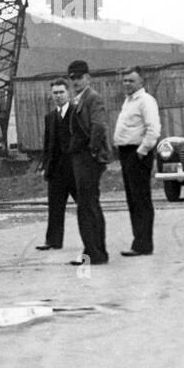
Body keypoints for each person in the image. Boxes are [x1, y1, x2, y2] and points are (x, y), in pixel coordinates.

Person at [64, 60, 111, 265]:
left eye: (79, 77)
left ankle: (95, 253)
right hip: (82, 157)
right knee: (89, 204)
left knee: (87, 205)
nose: (75, 81)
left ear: (87, 78)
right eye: (72, 78)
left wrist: (91, 149)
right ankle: (94, 251)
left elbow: (99, 126)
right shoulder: (79, 99)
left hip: (88, 158)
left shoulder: (92, 98)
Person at [113, 66, 161, 257]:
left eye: (131, 81)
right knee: (133, 199)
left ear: (141, 82)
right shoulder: (129, 101)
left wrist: (142, 152)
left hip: (137, 153)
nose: (127, 84)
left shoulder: (146, 101)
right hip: (126, 153)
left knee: (140, 199)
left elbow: (153, 129)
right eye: (124, 80)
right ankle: (138, 241)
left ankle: (143, 244)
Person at [37, 78, 76, 250]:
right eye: (55, 93)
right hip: (56, 170)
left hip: (75, 169)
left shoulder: (77, 113)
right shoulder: (50, 117)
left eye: (61, 92)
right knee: (54, 207)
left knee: (85, 206)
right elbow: (48, 144)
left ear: (68, 93)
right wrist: (45, 166)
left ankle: (92, 241)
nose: (58, 96)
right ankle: (53, 241)